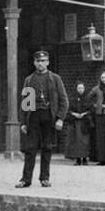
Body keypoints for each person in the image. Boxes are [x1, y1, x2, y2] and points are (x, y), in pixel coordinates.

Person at [16, 49, 68, 188]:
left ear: (48, 62)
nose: (41, 63)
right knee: (30, 148)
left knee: (47, 147)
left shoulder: (55, 79)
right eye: (38, 61)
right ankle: (26, 179)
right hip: (34, 116)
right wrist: (23, 122)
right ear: (34, 63)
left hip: (49, 116)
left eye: (43, 61)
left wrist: (60, 118)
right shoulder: (29, 80)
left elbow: (64, 100)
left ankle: (44, 177)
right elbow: (25, 104)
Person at [63, 81, 93, 165]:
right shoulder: (72, 98)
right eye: (79, 88)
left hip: (85, 122)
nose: (81, 90)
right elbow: (68, 109)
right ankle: (78, 158)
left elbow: (91, 109)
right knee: (76, 141)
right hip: (74, 123)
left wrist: (84, 114)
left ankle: (85, 158)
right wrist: (73, 114)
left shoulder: (87, 98)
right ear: (76, 89)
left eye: (82, 88)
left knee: (85, 142)